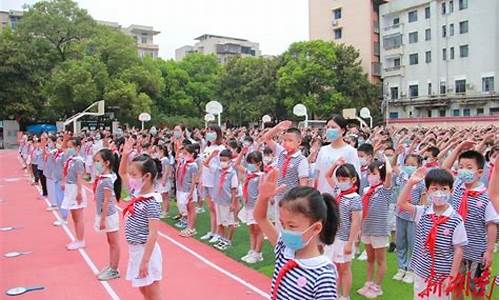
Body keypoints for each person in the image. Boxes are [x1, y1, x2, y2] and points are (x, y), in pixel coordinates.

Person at [253, 169, 339, 299]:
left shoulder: (323, 274)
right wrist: (263, 197)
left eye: (292, 226)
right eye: (283, 224)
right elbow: (260, 218)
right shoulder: (283, 249)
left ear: (316, 228)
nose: (285, 231)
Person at [398, 168, 467, 300]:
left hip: (442, 276)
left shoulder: (455, 219)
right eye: (434, 189)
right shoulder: (422, 212)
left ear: (451, 191)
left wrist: (452, 276)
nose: (439, 193)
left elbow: (459, 249)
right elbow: (401, 203)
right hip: (421, 272)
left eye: (444, 189)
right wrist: (411, 183)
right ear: (427, 191)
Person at [443, 144, 498, 299]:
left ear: (480, 172)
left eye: (468, 167)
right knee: (456, 286)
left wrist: (489, 251)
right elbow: (445, 168)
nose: (463, 171)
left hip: (477, 251)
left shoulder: (486, 197)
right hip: (456, 249)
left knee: (477, 289)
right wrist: (457, 148)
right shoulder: (458, 186)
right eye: (461, 167)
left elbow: (492, 225)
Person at [120, 140, 163, 300]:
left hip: (147, 252)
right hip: (135, 250)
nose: (130, 178)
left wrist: (145, 261)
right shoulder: (135, 192)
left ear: (147, 176)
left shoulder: (151, 202)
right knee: (142, 288)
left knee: (152, 290)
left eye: (134, 175)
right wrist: (125, 155)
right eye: (131, 175)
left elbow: (153, 234)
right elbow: (122, 173)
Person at [261, 121, 309, 227]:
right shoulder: (281, 153)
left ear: (299, 142)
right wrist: (278, 127)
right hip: (280, 198)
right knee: (279, 230)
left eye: (290, 140)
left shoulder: (301, 160)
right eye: (285, 140)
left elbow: (303, 185)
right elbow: (267, 137)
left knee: (290, 229)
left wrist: (298, 204)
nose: (287, 143)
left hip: (292, 201)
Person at [357, 158, 393, 299]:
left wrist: (385, 159)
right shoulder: (366, 190)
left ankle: (377, 286)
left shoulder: (385, 189)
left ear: (381, 175)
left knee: (380, 260)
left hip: (379, 230)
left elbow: (389, 173)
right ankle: (368, 282)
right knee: (370, 258)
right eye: (369, 173)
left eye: (374, 173)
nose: (370, 176)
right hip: (367, 228)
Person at [325, 163, 361, 300]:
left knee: (345, 268)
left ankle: (345, 296)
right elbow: (327, 175)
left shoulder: (355, 198)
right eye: (339, 179)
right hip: (334, 237)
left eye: (344, 179)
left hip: (345, 238)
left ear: (353, 180)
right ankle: (334, 293)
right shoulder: (338, 191)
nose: (341, 182)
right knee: (333, 267)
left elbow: (356, 221)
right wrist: (335, 164)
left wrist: (350, 243)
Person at [392, 153, 426, 284]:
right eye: (407, 164)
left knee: (413, 243)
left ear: (419, 166)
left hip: (413, 216)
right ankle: (402, 268)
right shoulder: (403, 177)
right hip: (400, 214)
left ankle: (412, 270)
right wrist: (398, 151)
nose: (409, 167)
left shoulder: (422, 182)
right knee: (400, 242)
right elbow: (394, 165)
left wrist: (420, 213)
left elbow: (423, 199)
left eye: (413, 165)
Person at [314, 115, 361, 195]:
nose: (330, 130)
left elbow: (355, 177)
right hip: (322, 195)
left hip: (341, 197)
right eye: (328, 127)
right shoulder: (323, 150)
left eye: (333, 127)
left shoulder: (350, 151)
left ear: (342, 130)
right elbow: (317, 174)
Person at [93, 149, 121, 281]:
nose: (96, 164)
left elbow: (106, 200)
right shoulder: (103, 178)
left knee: (114, 242)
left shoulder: (108, 180)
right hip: (104, 214)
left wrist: (103, 219)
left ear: (107, 163)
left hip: (109, 215)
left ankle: (114, 269)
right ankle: (111, 266)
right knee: (110, 241)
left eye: (98, 161)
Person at [207, 149, 240, 251]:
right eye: (221, 160)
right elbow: (206, 164)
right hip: (218, 200)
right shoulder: (218, 170)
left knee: (230, 222)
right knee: (220, 221)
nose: (222, 162)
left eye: (225, 160)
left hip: (227, 201)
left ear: (230, 161)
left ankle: (228, 240)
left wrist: (233, 203)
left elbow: (234, 189)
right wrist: (212, 155)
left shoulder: (232, 173)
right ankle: (222, 238)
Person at [199, 125, 226, 243]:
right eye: (208, 131)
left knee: (216, 208)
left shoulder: (221, 148)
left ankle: (219, 233)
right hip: (206, 181)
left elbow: (221, 167)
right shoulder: (207, 147)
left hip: (215, 181)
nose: (209, 133)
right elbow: (202, 163)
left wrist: (209, 164)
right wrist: (201, 178)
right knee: (211, 208)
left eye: (212, 131)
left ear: (218, 133)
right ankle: (212, 231)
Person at [237, 151, 264, 264]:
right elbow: (236, 165)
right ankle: (252, 250)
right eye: (249, 163)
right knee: (251, 229)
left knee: (258, 230)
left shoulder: (261, 176)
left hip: (256, 206)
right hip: (248, 206)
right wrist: (242, 152)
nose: (250, 165)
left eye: (252, 163)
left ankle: (258, 253)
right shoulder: (249, 173)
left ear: (259, 163)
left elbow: (261, 192)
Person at [61, 137, 87, 250]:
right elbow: (67, 173)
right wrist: (64, 182)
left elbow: (79, 177)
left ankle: (81, 240)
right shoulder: (71, 160)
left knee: (78, 216)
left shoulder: (79, 161)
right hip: (69, 188)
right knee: (74, 217)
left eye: (71, 147)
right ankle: (78, 239)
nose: (69, 149)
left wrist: (79, 192)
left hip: (75, 189)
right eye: (68, 147)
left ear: (77, 148)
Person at [176, 144, 199, 237]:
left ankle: (192, 228)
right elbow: (177, 157)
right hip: (182, 189)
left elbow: (194, 180)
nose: (183, 154)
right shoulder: (182, 162)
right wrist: (179, 149)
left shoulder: (193, 165)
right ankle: (188, 227)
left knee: (191, 209)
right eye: (183, 153)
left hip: (189, 190)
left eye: (185, 153)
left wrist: (191, 192)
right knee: (187, 210)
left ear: (192, 154)